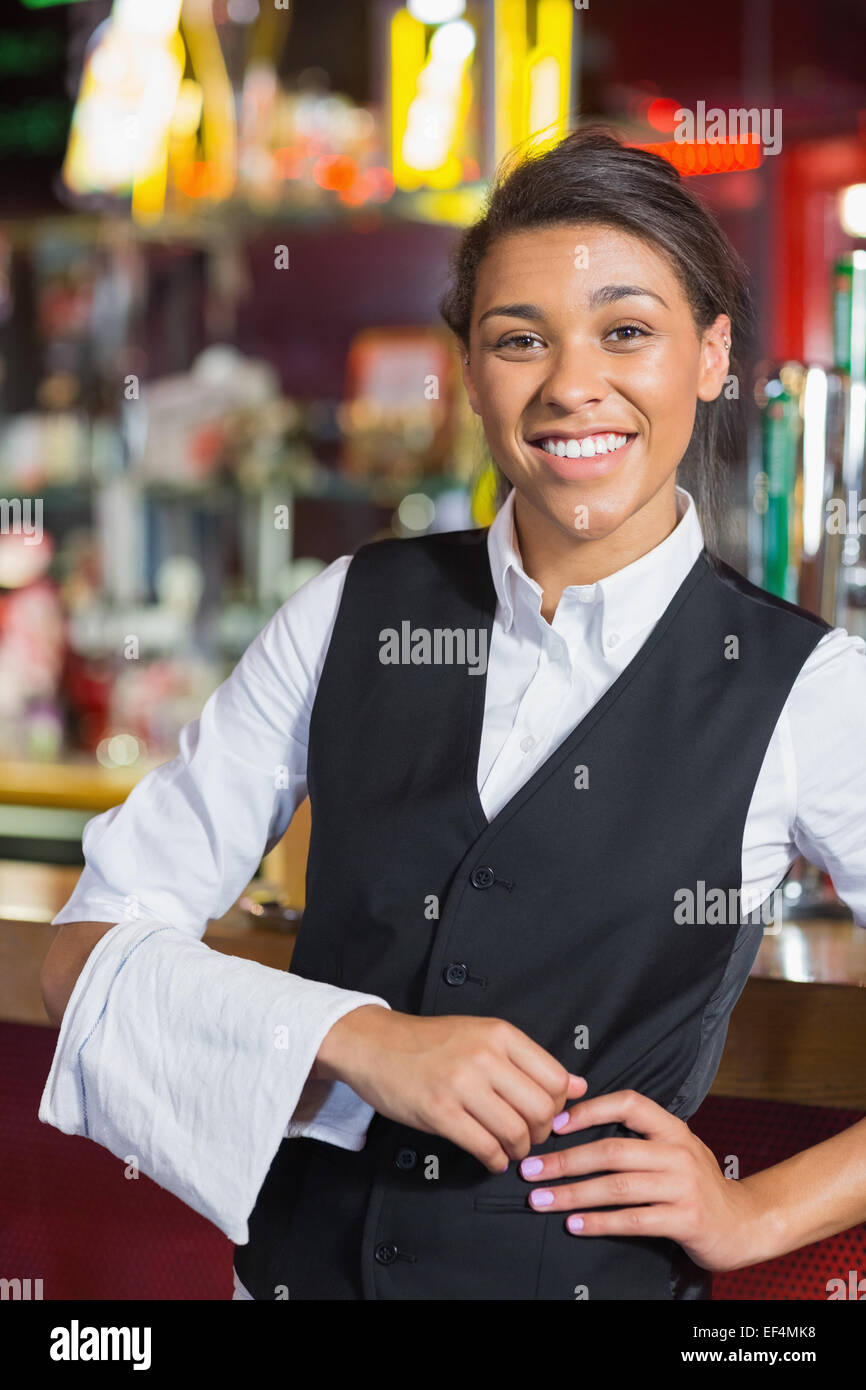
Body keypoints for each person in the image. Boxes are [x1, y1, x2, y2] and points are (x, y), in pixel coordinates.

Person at [40, 127, 866, 1302]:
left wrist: (754, 1211)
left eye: (625, 332)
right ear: (470, 371)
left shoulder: (806, 686)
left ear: (710, 354)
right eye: (518, 339)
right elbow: (82, 954)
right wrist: (359, 1038)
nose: (571, 385)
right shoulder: (348, 609)